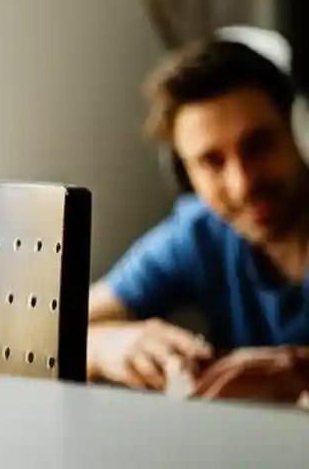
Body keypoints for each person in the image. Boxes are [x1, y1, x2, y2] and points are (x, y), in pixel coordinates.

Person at [87, 37, 309, 403]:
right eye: (212, 162)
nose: (242, 185)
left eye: (259, 146)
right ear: (184, 174)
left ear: (299, 133)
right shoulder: (199, 233)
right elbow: (53, 329)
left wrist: (297, 370)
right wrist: (107, 345)